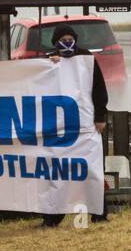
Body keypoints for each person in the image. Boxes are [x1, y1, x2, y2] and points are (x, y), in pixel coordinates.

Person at [40, 24, 108, 227]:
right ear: (56, 43)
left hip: (86, 126)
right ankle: (52, 218)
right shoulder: (50, 60)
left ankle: (98, 213)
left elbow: (99, 89)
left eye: (71, 38)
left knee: (91, 171)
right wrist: (50, 65)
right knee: (57, 172)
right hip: (60, 129)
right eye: (63, 39)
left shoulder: (87, 59)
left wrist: (100, 115)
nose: (68, 42)